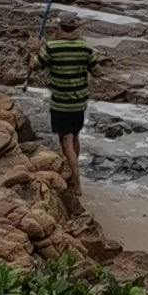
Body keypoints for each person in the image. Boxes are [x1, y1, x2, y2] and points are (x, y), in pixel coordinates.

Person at [39, 29, 94, 208]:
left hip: (61, 104)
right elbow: (98, 70)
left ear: (60, 28)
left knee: (66, 142)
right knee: (75, 137)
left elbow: (34, 65)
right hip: (79, 103)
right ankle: (73, 172)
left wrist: (35, 48)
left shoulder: (52, 47)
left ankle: (76, 181)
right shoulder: (85, 46)